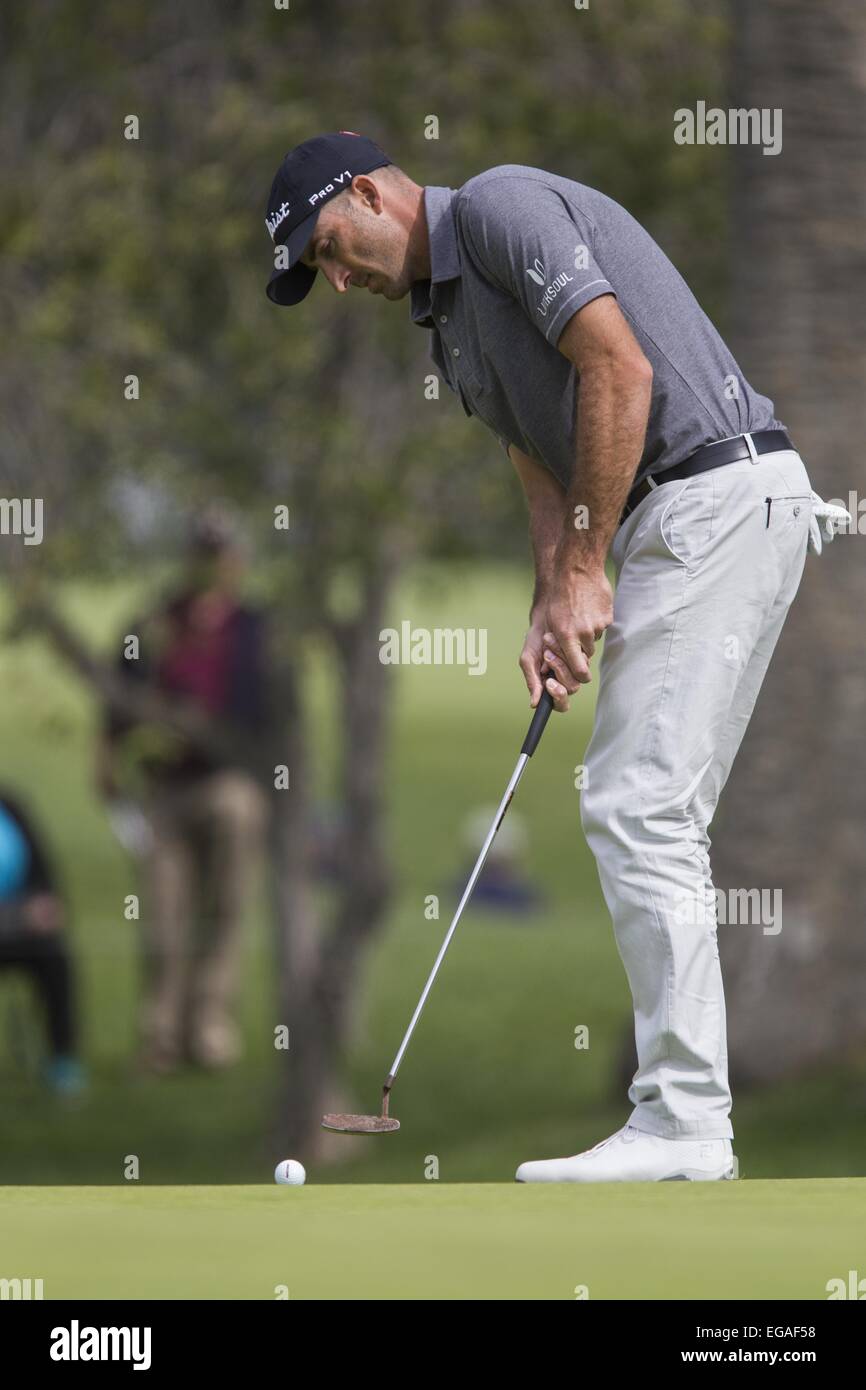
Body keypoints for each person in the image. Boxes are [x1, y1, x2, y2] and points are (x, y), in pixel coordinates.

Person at [261, 133, 846, 1182]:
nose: (338, 278)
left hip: (715, 494)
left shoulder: (495, 210)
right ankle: (683, 1117)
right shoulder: (445, 324)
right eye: (319, 272)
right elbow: (537, 450)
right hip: (679, 519)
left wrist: (587, 567)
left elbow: (614, 368)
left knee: (637, 804)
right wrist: (551, 595)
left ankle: (683, 1120)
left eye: (331, 247)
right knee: (643, 803)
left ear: (368, 192)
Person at [97, 510, 269, 1074]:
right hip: (165, 790)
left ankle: (209, 1027)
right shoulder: (152, 624)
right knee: (163, 915)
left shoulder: (252, 628)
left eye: (220, 555)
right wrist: (109, 757)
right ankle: (161, 1036)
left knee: (224, 907)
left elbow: (273, 713)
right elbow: (115, 696)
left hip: (228, 785)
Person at [0, 790, 84, 1095]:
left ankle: (63, 1060)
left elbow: (44, 876)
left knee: (54, 955)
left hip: (18, 932)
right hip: (14, 920)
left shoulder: (11, 806)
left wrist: (46, 904)